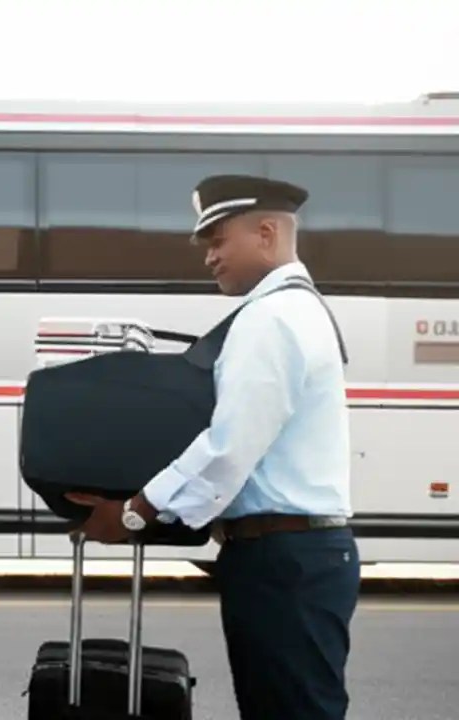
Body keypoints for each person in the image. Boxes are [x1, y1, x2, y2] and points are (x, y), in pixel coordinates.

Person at [66, 174, 360, 720]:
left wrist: (132, 514)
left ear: (266, 232)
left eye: (218, 240)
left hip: (283, 562)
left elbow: (228, 446)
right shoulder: (294, 309)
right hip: (291, 558)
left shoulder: (272, 318)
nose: (209, 258)